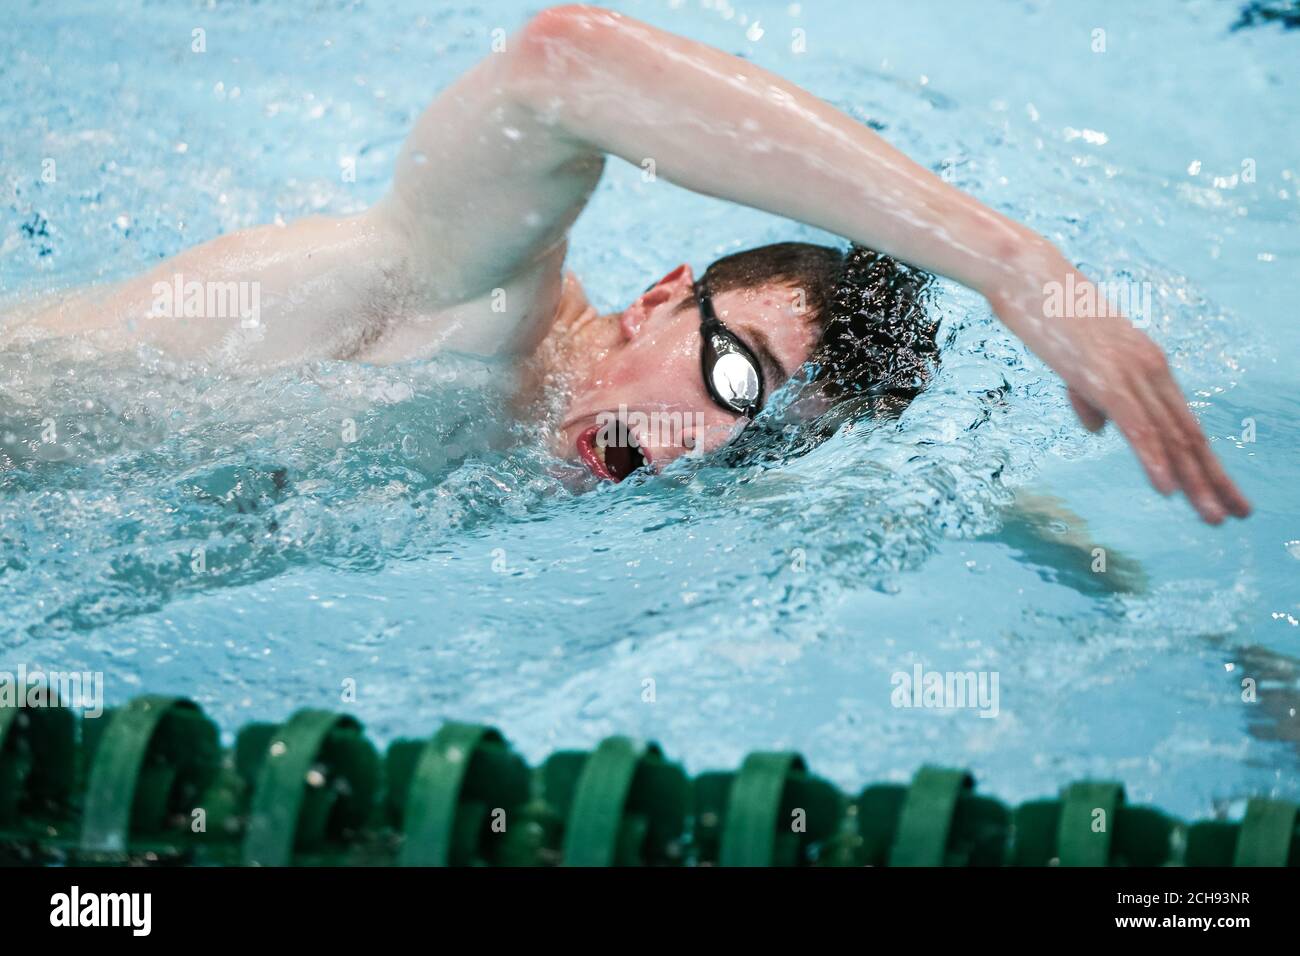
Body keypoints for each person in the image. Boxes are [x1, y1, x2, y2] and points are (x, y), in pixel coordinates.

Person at [8, 5, 1249, 524]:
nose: (707, 444)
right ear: (662, 294)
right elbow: (560, 67)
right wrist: (1011, 263)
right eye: (734, 372)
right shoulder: (465, 302)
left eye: (760, 438)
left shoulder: (540, 455)